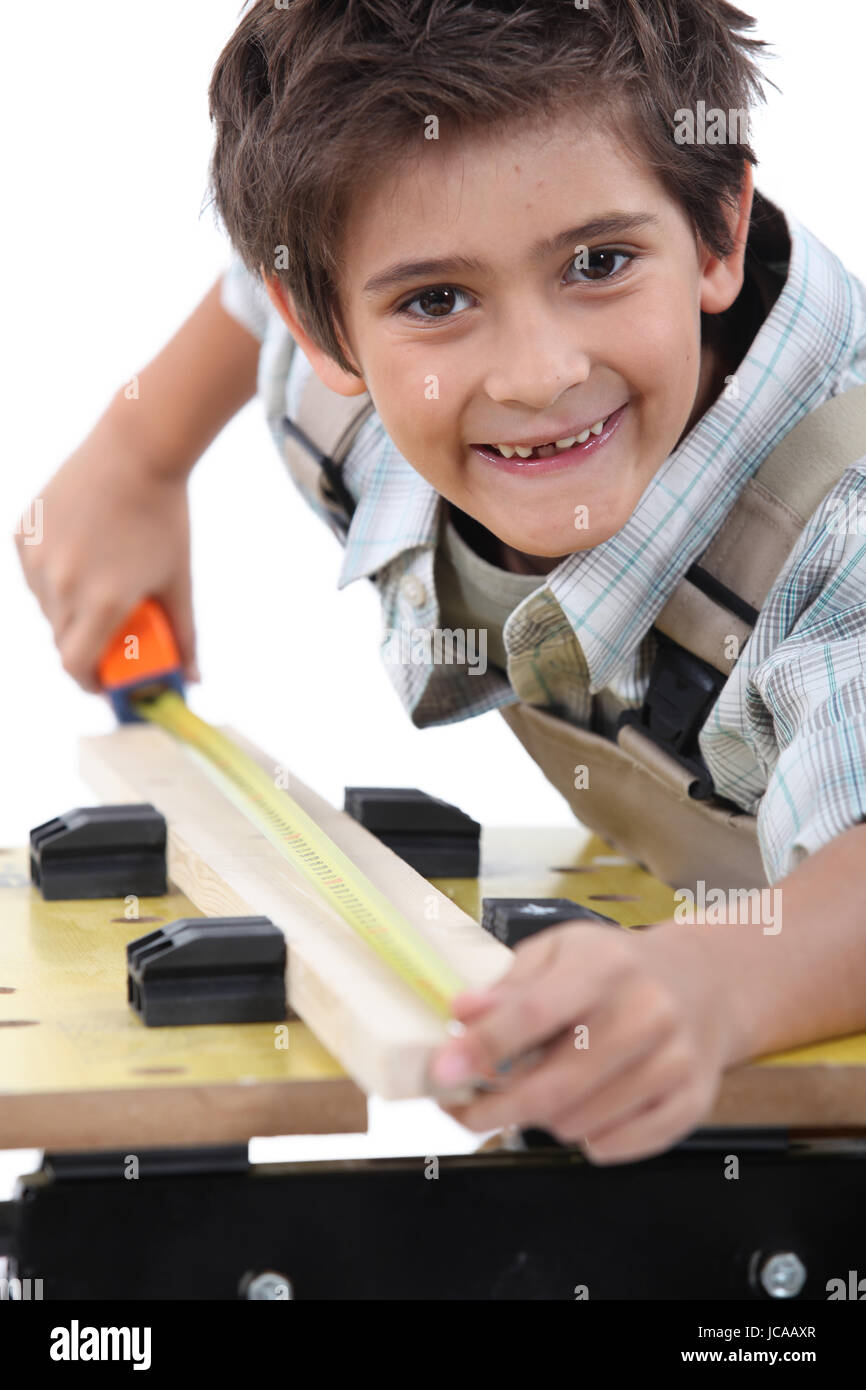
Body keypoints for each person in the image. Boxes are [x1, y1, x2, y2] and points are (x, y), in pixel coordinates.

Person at [16, 0, 866, 1163]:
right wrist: (138, 452)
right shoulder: (345, 401)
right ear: (324, 329)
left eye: (597, 263)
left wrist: (707, 984)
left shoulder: (837, 536)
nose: (534, 375)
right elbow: (277, 251)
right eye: (436, 300)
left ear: (720, 233)